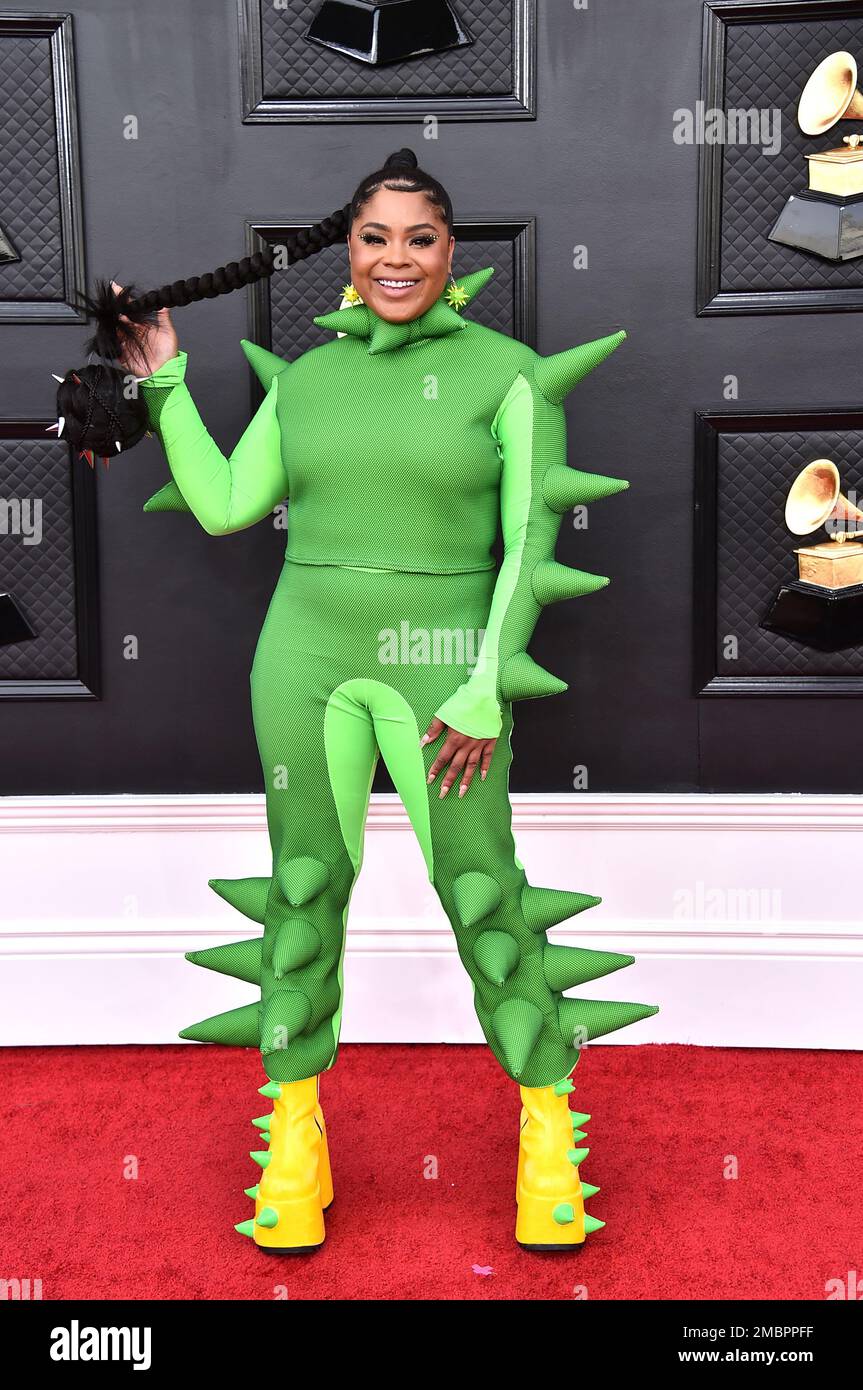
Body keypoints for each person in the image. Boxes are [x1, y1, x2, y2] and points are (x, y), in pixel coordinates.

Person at [114, 148, 658, 1254]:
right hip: (300, 658)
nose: (395, 258)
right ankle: (296, 1140)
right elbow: (224, 505)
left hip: (446, 669)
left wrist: (480, 687)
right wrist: (164, 380)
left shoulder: (507, 374)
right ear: (346, 253)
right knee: (304, 890)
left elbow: (524, 546)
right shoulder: (306, 381)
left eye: (419, 237)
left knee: (480, 892)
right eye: (374, 238)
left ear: (452, 252)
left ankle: (547, 1131)